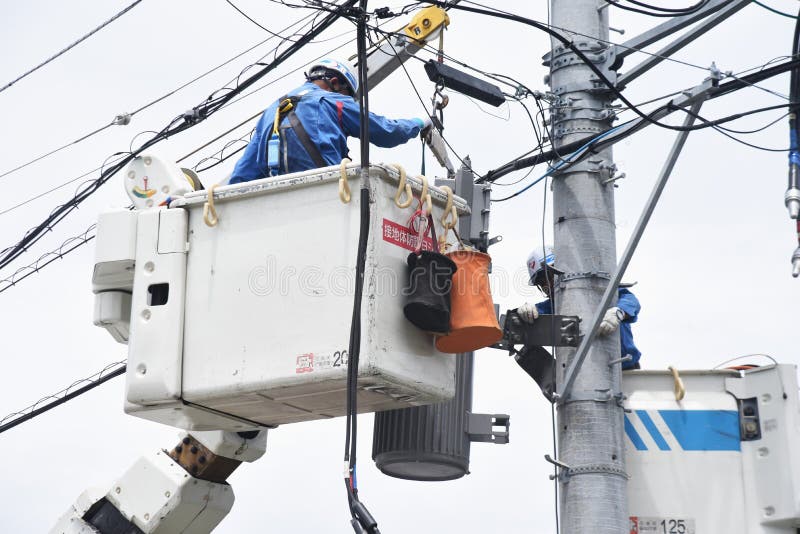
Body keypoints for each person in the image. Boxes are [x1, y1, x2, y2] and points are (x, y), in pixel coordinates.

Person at [229, 57, 431, 183]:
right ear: (334, 83)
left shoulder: (271, 112)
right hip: (326, 196)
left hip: (276, 201)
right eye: (347, 95)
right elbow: (386, 132)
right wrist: (419, 122)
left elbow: (242, 174)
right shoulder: (335, 102)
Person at [513, 245, 642, 401]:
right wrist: (524, 312)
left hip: (625, 371)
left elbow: (631, 301)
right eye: (542, 282)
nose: (547, 286)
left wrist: (618, 312)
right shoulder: (553, 305)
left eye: (547, 276)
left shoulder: (599, 290)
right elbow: (534, 314)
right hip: (582, 381)